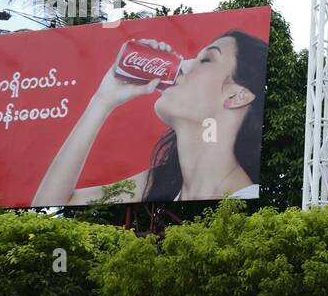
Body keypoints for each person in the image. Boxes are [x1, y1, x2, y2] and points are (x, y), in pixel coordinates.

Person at [32, 30, 267, 206]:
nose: (183, 64)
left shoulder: (247, 203)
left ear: (238, 95)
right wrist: (103, 100)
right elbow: (49, 205)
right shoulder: (161, 183)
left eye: (206, 60)